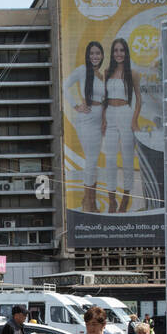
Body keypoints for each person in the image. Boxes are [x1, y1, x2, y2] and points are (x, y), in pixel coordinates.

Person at [63, 40, 107, 212]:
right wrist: (75, 105)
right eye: (92, 54)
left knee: (93, 161)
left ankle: (88, 199)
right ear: (88, 56)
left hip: (100, 118)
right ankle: (89, 202)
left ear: (102, 55)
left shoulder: (103, 74)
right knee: (91, 159)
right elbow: (65, 85)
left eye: (98, 53)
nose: (95, 56)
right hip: (86, 118)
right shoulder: (82, 70)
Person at [101, 37, 144, 213]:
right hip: (110, 113)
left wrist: (134, 120)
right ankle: (111, 199)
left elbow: (139, 99)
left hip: (126, 114)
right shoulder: (107, 72)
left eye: (122, 50)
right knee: (110, 159)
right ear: (112, 54)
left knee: (127, 159)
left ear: (126, 53)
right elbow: (103, 98)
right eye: (116, 50)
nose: (119, 54)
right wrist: (103, 119)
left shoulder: (132, 73)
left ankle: (125, 199)